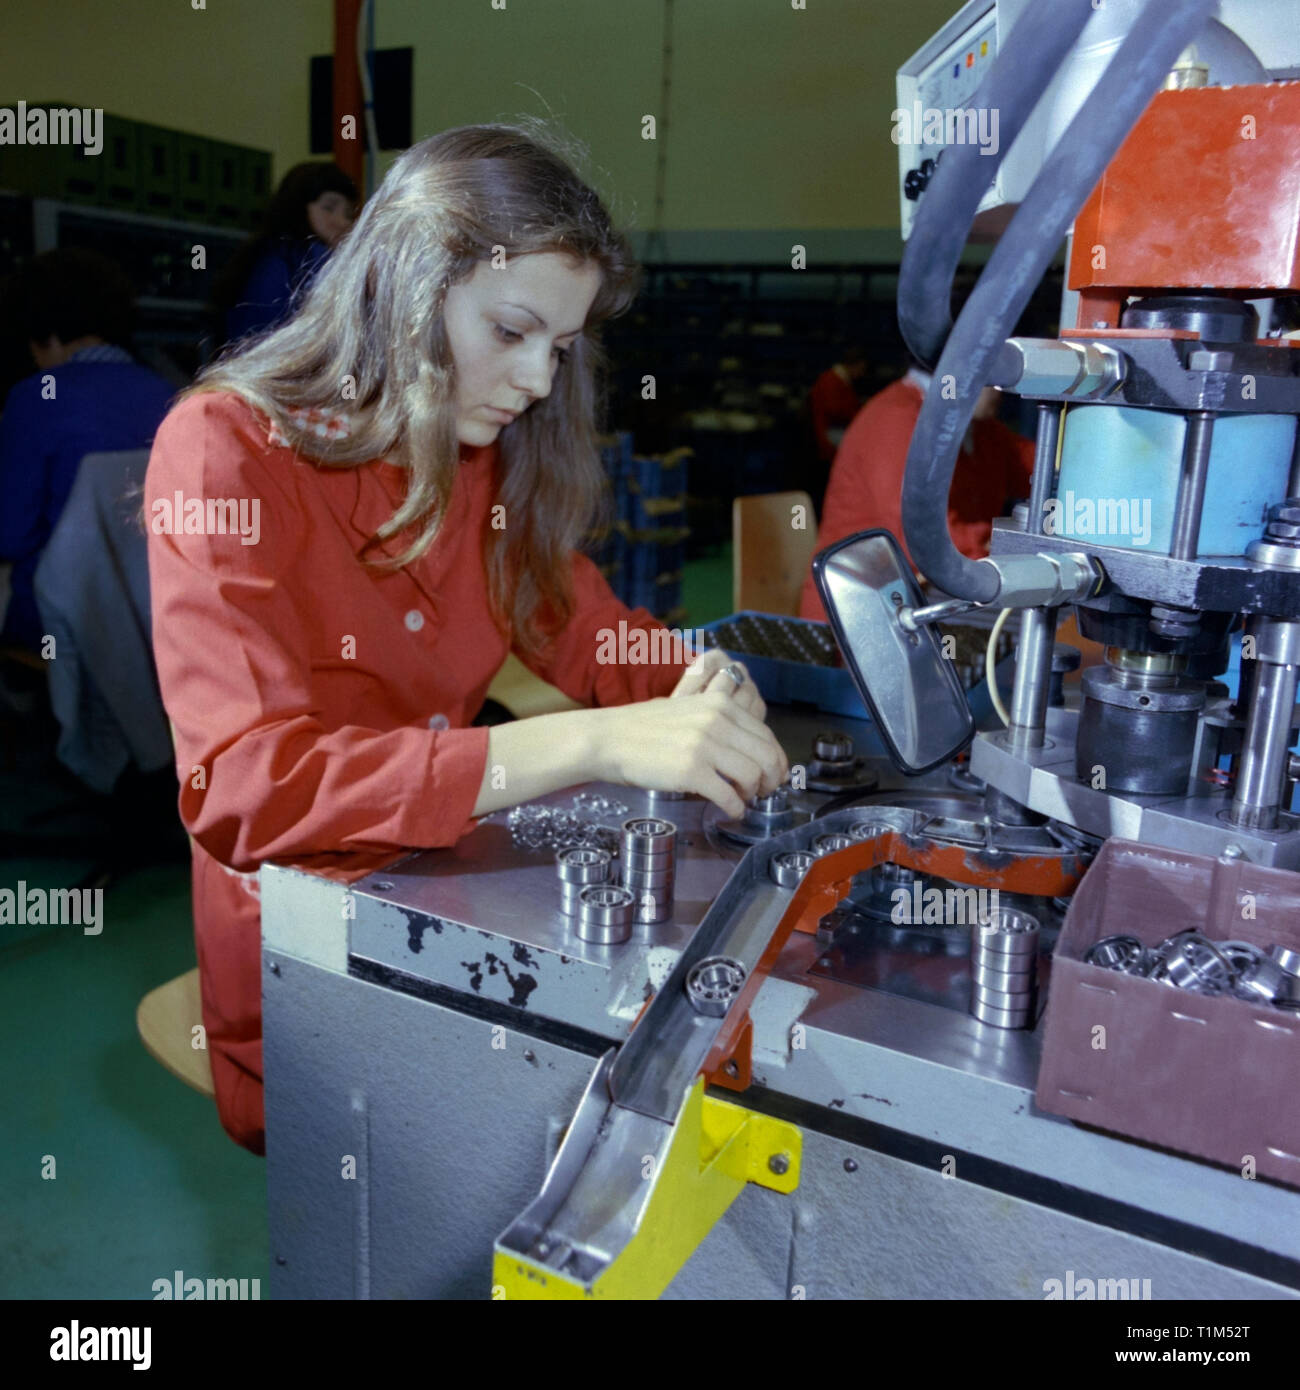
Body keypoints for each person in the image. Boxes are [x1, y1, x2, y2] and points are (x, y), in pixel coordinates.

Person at [146, 124, 789, 1155]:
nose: (537, 378)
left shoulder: (477, 458)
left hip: (442, 889)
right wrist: (588, 740)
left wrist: (695, 681)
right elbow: (249, 788)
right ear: (407, 285)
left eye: (560, 349)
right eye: (512, 330)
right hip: (302, 958)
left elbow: (584, 631)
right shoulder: (226, 451)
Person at [0, 248, 175, 652]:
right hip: (155, 619)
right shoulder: (168, 393)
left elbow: (11, 537)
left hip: (61, 623)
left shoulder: (34, 397)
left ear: (46, 336)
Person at [799, 358, 1035, 622]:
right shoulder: (897, 419)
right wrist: (1006, 550)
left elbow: (1036, 466)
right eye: (994, 363)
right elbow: (922, 539)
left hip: (920, 602)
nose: (1004, 381)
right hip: (856, 616)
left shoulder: (977, 427)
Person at [212, 161, 358, 346]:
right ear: (298, 207)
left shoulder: (261, 254)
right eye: (328, 208)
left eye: (348, 214)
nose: (342, 221)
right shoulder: (300, 261)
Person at [805, 345, 866, 517]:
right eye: (861, 369)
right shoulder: (831, 381)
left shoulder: (840, 381)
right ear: (854, 365)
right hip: (826, 437)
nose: (862, 374)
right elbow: (835, 411)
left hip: (830, 433)